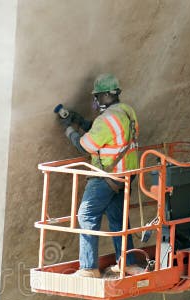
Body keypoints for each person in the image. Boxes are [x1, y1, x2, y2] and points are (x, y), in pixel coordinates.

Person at [57, 73, 143, 278]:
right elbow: (110, 135)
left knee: (86, 216)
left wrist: (69, 129)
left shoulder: (107, 120)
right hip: (126, 177)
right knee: (118, 220)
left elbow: (84, 145)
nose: (95, 100)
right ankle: (128, 264)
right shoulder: (127, 112)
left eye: (97, 96)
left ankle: (88, 268)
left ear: (105, 96)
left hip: (106, 177)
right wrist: (80, 121)